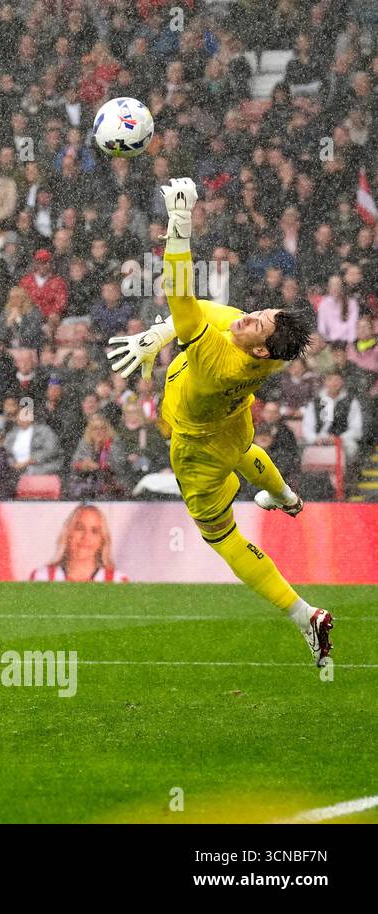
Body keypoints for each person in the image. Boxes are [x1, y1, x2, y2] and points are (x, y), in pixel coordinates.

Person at [106, 178, 329, 666]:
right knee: (245, 453)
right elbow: (204, 311)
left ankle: (305, 615)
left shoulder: (216, 357)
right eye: (259, 311)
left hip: (197, 452)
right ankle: (286, 497)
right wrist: (158, 335)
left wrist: (180, 223)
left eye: (256, 322)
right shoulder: (267, 353)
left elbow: (180, 293)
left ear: (261, 349)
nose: (248, 317)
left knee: (222, 536)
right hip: (234, 427)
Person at [30, 504, 128, 582]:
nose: (86, 537)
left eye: (94, 531)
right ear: (68, 533)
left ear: (102, 540)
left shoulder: (117, 581)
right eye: (80, 528)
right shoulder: (42, 577)